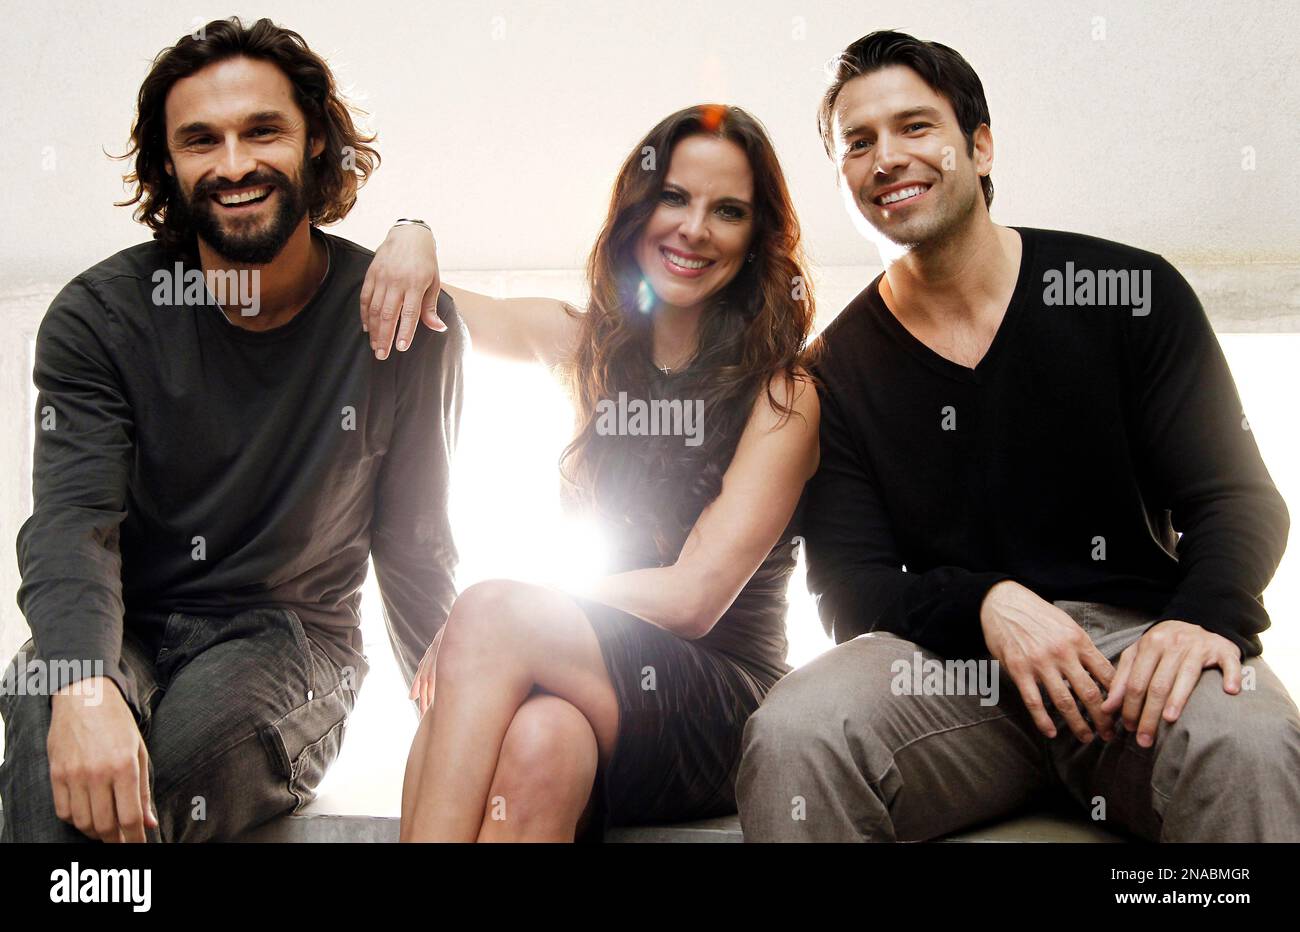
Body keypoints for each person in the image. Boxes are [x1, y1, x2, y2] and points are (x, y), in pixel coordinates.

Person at [737, 30, 1300, 842]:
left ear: (981, 145)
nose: (887, 157)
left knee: (1250, 741)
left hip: (1137, 653)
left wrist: (1201, 619)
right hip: (952, 671)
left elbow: (1239, 501)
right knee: (796, 730)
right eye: (859, 143)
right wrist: (988, 603)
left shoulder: (1130, 293)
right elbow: (848, 586)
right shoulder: (833, 371)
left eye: (916, 126)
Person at [0, 17, 465, 843]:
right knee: (49, 699)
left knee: (163, 773)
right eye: (200, 140)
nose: (234, 164)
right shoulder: (97, 320)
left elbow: (414, 540)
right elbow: (74, 526)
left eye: (263, 131)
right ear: (168, 165)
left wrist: (464, 710)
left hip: (290, 643)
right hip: (124, 623)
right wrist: (84, 687)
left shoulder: (393, 320)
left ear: (315, 142)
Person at [362, 103, 819, 841]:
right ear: (638, 210)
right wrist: (412, 233)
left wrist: (512, 616)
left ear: (756, 238)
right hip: (604, 700)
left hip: (722, 706)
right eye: (674, 197)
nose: (694, 229)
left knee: (490, 607)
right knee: (546, 739)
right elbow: (434, 304)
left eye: (727, 210)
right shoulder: (583, 346)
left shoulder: (783, 395)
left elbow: (693, 599)